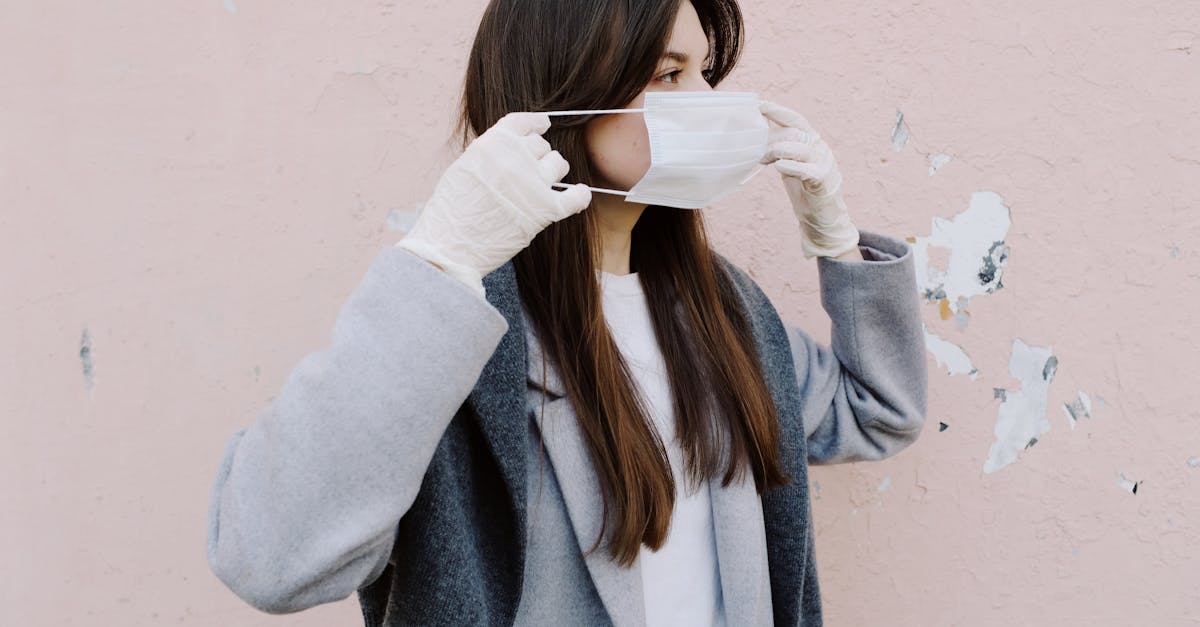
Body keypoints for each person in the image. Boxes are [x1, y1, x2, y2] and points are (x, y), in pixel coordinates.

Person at [204, 0, 929, 625]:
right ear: (569, 92)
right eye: (669, 74)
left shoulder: (727, 312)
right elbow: (269, 555)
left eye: (707, 72)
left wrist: (838, 246)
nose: (706, 98)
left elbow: (879, 410)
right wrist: (438, 262)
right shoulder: (456, 332)